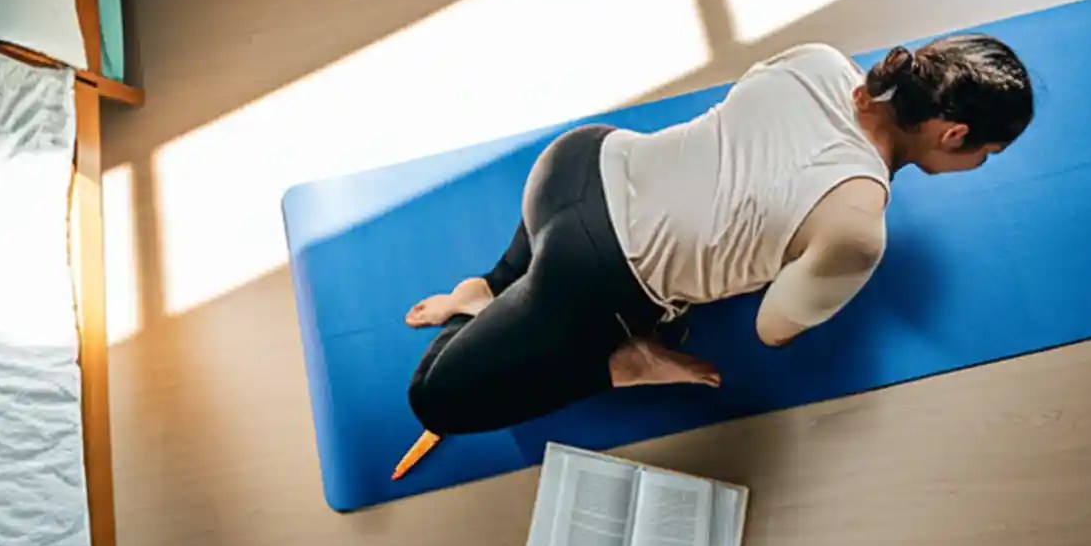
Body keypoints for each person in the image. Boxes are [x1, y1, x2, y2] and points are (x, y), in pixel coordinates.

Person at [405, 35, 1034, 436]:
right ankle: (622, 363)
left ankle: (486, 290)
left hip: (575, 163)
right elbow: (772, 329)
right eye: (988, 153)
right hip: (597, 271)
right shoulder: (858, 225)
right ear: (953, 134)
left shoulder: (821, 60)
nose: (980, 166)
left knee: (536, 274)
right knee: (439, 400)